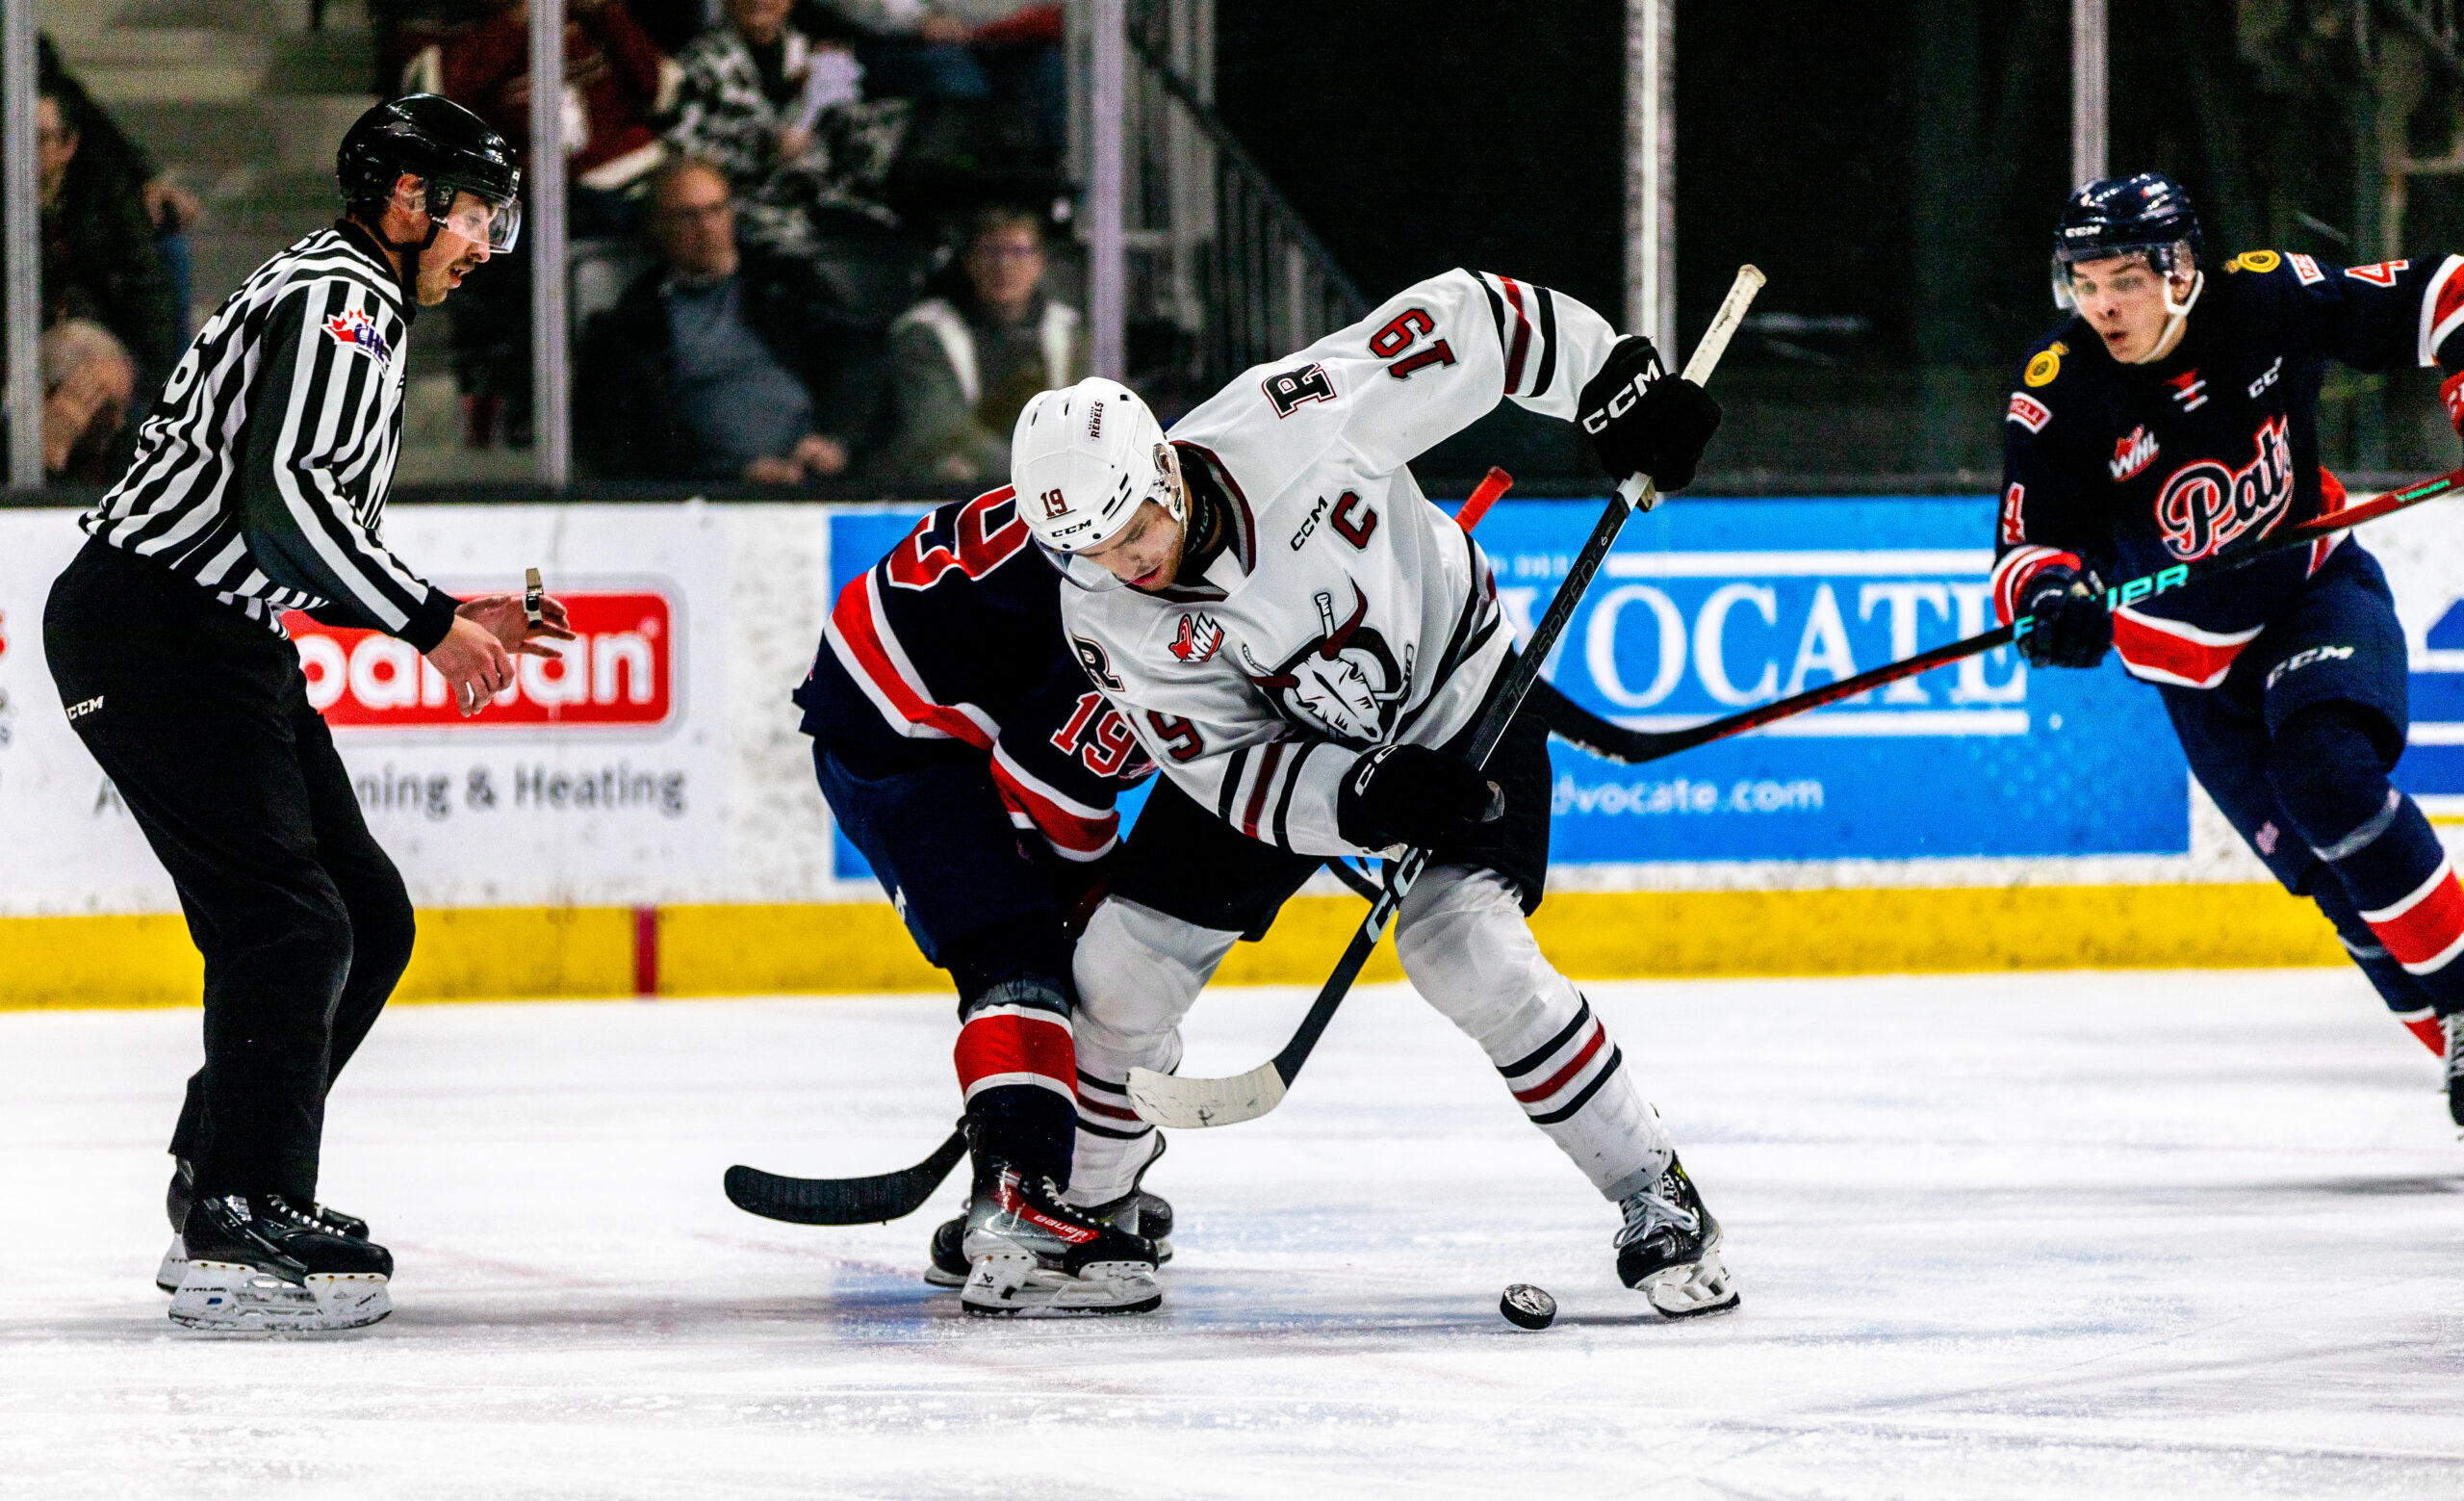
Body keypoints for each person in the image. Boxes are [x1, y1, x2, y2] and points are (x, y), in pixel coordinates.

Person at [1006, 270, 1736, 1318]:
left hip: (1467, 689)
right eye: (1091, 551)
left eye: (1131, 535)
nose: (1125, 566)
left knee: (1461, 948)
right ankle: (1090, 1216)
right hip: (1305, 753)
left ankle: (1653, 1191)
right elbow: (1227, 766)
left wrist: (1611, 382)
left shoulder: (1291, 420)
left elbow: (1476, 320)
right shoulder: (1103, 607)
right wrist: (1363, 794)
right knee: (1121, 967)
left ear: (1164, 471)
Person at [41, 95, 572, 1333]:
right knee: (286, 920)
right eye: (477, 211)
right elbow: (282, 501)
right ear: (408, 201)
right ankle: (243, 1208)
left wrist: (453, 607)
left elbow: (273, 532)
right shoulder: (343, 303)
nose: (488, 241)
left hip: (207, 627)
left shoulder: (345, 293)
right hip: (160, 628)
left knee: (360, 915)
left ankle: (218, 1173)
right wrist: (432, 624)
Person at [1995, 172, 2464, 1130]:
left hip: (2313, 593)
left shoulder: (2265, 298)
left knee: (2328, 776)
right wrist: (2055, 599)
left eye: (2120, 278)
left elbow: (2445, 290)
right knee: (2333, 883)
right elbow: (2026, 550)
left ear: (2177, 268)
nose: (2101, 304)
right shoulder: (2060, 392)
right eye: (2083, 283)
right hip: (2193, 678)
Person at [788, 463, 1169, 1316]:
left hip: (913, 698)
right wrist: (1096, 903)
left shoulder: (1086, 515)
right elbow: (1050, 789)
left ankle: (1014, 1188)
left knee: (1036, 939)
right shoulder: (1119, 600)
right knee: (1020, 950)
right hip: (897, 739)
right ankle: (1016, 1202)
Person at [438, 0, 673, 446]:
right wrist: (519, 23)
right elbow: (451, 97)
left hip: (625, 180)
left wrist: (605, 12)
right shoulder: (483, 40)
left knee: (684, 221)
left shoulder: (596, 25)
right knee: (516, 257)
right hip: (540, 191)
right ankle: (534, 401)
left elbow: (655, 86)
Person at [575, 156, 872, 480]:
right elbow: (626, 436)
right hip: (708, 492)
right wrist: (730, 474)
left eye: (716, 210)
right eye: (688, 216)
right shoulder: (631, 326)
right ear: (658, 227)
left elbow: (857, 362)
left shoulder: (786, 286)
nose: (706, 226)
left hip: (817, 474)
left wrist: (837, 441)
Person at [668, 0, 910, 255]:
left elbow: (851, 141)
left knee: (893, 232)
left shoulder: (813, 55)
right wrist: (765, 147)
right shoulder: (700, 62)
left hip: (821, 196)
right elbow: (682, 150)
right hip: (746, 203)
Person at [873, 204, 1080, 483]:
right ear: (969, 262)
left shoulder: (1068, 331)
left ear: (1039, 263)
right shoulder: (924, 333)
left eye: (1018, 252)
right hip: (952, 495)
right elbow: (941, 432)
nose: (1004, 266)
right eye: (992, 252)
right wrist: (1029, 478)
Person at [23, 76, 184, 413]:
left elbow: (148, 291)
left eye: (41, 139)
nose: (28, 150)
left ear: (69, 145)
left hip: (102, 346)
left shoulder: (106, 198)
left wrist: (151, 382)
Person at [39, 320, 138, 483]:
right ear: (49, 394)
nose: (119, 422)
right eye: (108, 408)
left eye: (124, 406)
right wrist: (53, 448)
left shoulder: (123, 453)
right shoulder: (12, 459)